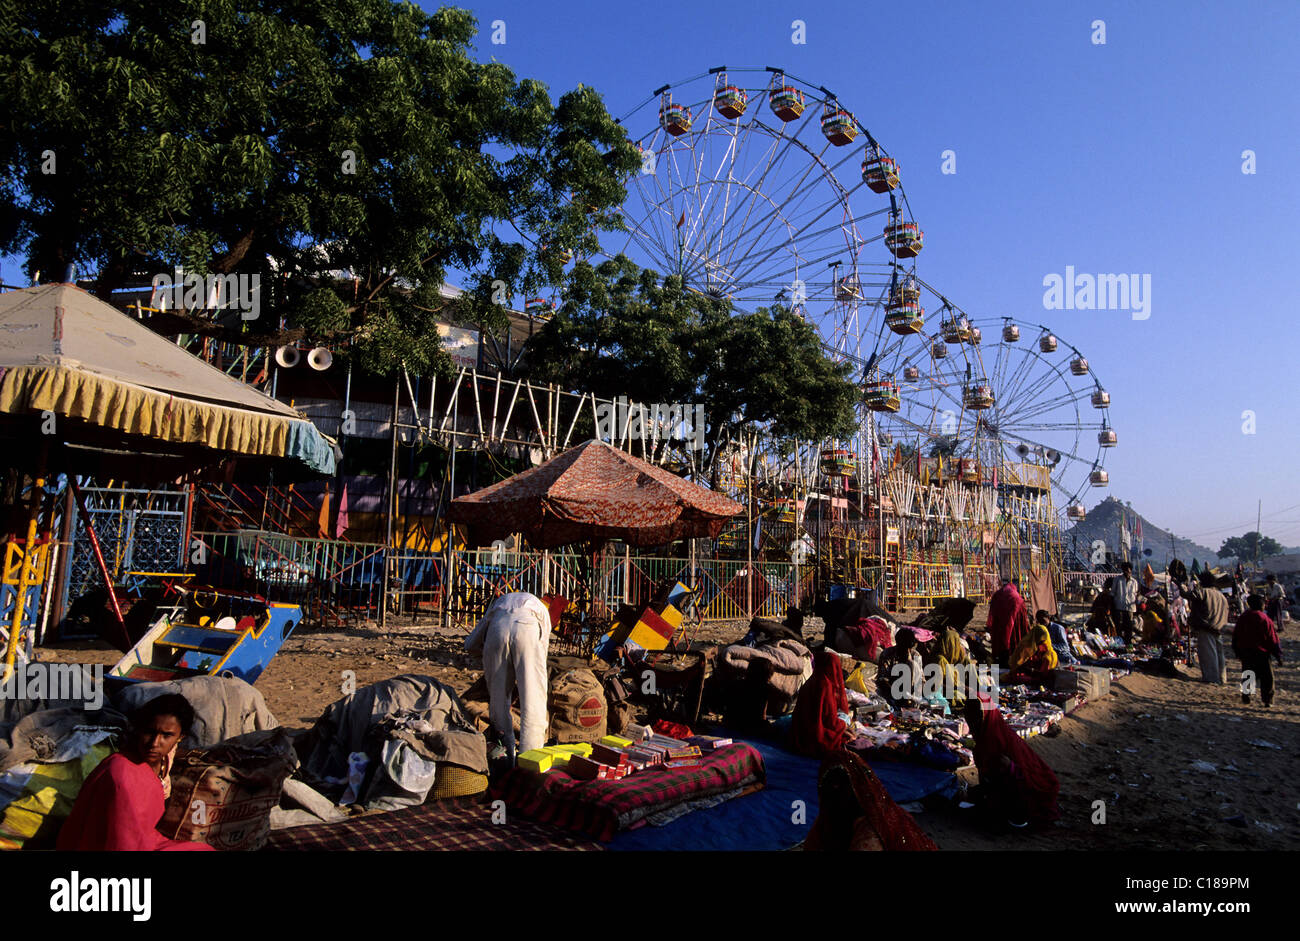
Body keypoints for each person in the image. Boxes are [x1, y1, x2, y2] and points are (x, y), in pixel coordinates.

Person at [56, 695, 213, 851]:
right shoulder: (123, 774)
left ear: (180, 737)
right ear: (139, 729)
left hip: (143, 836)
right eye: (149, 732)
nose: (154, 743)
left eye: (166, 735)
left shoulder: (163, 756)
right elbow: (123, 843)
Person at [463, 591, 553, 762]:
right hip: (528, 627)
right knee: (533, 701)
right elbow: (541, 652)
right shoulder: (541, 609)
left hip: (497, 630)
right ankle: (529, 760)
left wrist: (488, 657)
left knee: (498, 702)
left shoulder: (498, 604)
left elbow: (470, 644)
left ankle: (504, 756)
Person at [963, 695, 1060, 830]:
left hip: (1023, 791)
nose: (973, 722)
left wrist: (1009, 769)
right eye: (970, 717)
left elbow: (1024, 776)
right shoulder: (983, 741)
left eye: (976, 716)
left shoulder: (1001, 740)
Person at [791, 647, 853, 758]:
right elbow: (830, 721)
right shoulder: (825, 686)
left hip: (800, 734)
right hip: (816, 737)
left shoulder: (812, 680)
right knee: (846, 721)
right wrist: (843, 726)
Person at [1233, 594, 1283, 707]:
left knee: (1248, 674)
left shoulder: (1243, 617)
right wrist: (1278, 656)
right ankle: (1267, 700)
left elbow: (1236, 636)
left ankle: (1246, 695)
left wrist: (1237, 651)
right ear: (1260, 605)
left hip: (1246, 652)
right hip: (1262, 653)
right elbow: (1273, 638)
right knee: (1267, 677)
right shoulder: (1264, 618)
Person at [1183, 569, 1229, 684]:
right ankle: (1222, 678)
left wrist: (1179, 585)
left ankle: (1211, 679)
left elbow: (1187, 595)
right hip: (1219, 628)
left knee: (1209, 655)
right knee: (1219, 655)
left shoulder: (1203, 592)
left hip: (1206, 627)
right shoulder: (1221, 595)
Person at [987, 579, 1031, 667]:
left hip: (999, 626)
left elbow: (992, 613)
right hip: (1014, 626)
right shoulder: (1017, 598)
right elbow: (1023, 617)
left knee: (1000, 651)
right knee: (1012, 643)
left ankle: (999, 665)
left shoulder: (997, 595)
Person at [876, 627, 923, 707]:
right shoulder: (887, 654)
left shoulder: (915, 655)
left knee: (912, 664)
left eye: (909, 648)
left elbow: (921, 680)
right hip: (891, 690)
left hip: (911, 693)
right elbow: (882, 680)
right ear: (898, 644)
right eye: (905, 647)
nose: (907, 651)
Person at [1110, 561, 1140, 647]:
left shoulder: (1134, 582)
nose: (1127, 572)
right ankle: (1119, 643)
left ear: (1131, 571)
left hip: (1130, 608)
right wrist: (1112, 607)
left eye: (1129, 570)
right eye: (1126, 570)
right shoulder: (1117, 580)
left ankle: (1128, 643)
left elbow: (1135, 595)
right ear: (1123, 570)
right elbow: (1112, 594)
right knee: (1118, 626)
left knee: (1129, 627)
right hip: (1119, 606)